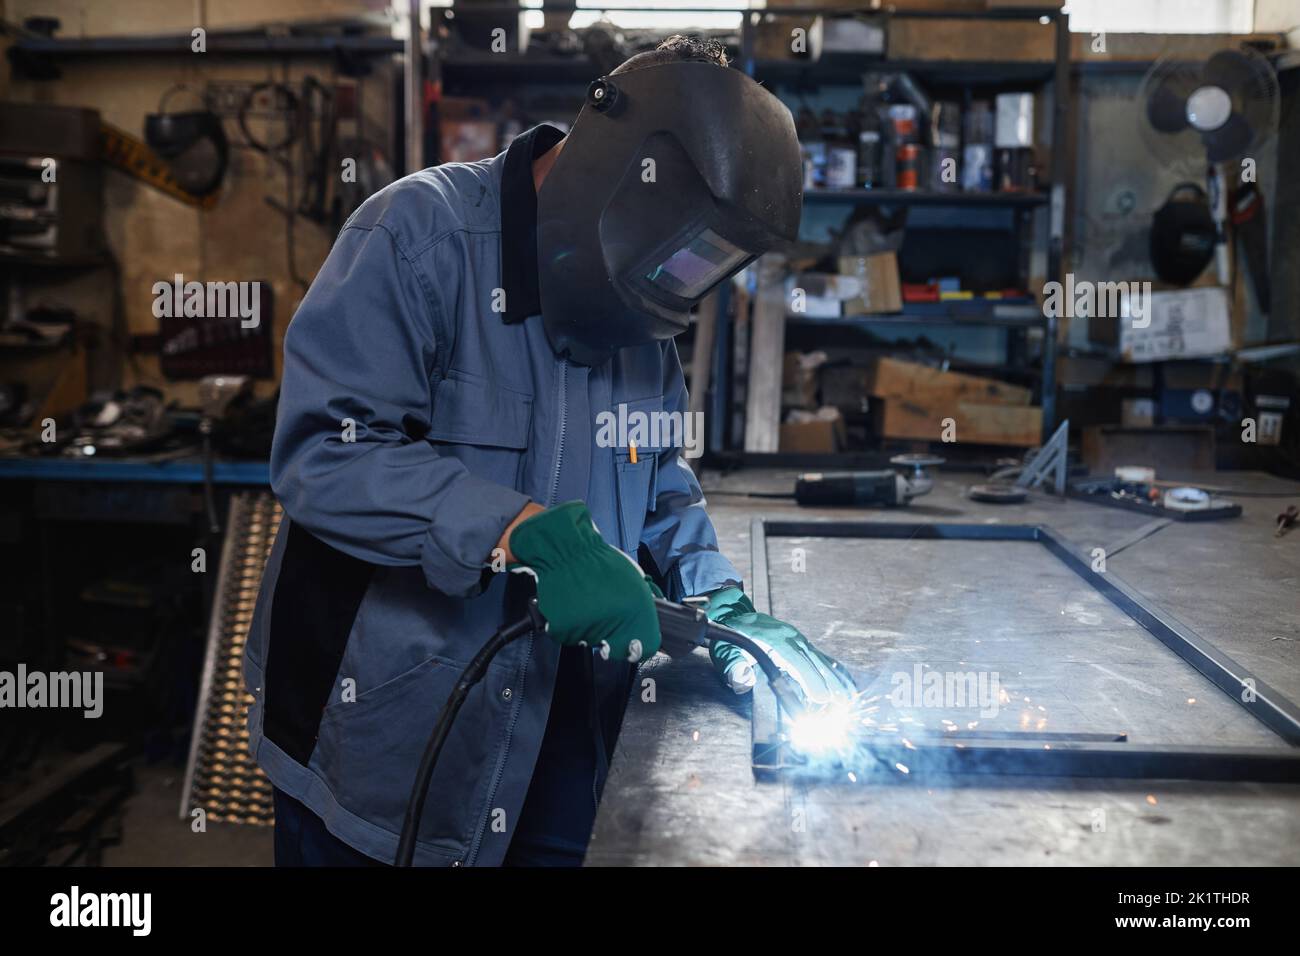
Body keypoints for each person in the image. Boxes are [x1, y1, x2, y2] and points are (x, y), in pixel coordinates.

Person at [243, 34, 854, 868]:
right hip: (384, 749)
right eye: (680, 249)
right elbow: (325, 455)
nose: (681, 281)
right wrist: (518, 528)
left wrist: (722, 608)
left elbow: (663, 484)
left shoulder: (647, 318)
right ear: (623, 172)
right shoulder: (416, 236)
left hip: (561, 733)